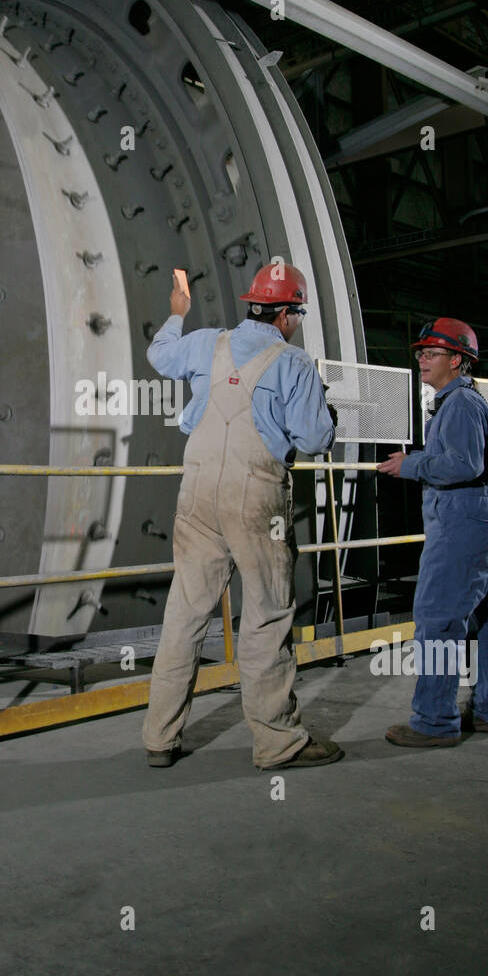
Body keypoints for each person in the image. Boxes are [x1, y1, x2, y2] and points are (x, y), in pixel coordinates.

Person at [142, 259, 343, 770]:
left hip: (197, 491)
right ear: (288, 315)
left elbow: (159, 354)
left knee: (184, 615)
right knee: (267, 614)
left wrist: (177, 312)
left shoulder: (207, 341)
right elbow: (315, 439)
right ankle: (277, 742)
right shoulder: (295, 363)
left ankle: (160, 739)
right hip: (255, 499)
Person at [377, 317, 488, 747]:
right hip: (484, 518)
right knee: (484, 615)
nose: (422, 360)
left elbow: (462, 465)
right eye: (420, 352)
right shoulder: (463, 403)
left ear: (457, 360)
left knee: (437, 618)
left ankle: (434, 721)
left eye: (432, 353)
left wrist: (411, 465)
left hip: (464, 522)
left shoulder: (458, 405)